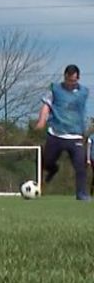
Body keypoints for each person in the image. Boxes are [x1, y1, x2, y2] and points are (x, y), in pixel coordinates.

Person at [35, 64, 90, 201]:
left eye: (74, 81)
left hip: (75, 134)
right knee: (47, 162)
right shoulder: (55, 89)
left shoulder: (84, 92)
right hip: (56, 133)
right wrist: (42, 121)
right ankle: (53, 169)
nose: (71, 83)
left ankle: (81, 194)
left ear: (78, 78)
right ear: (65, 77)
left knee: (80, 166)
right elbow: (46, 105)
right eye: (69, 80)